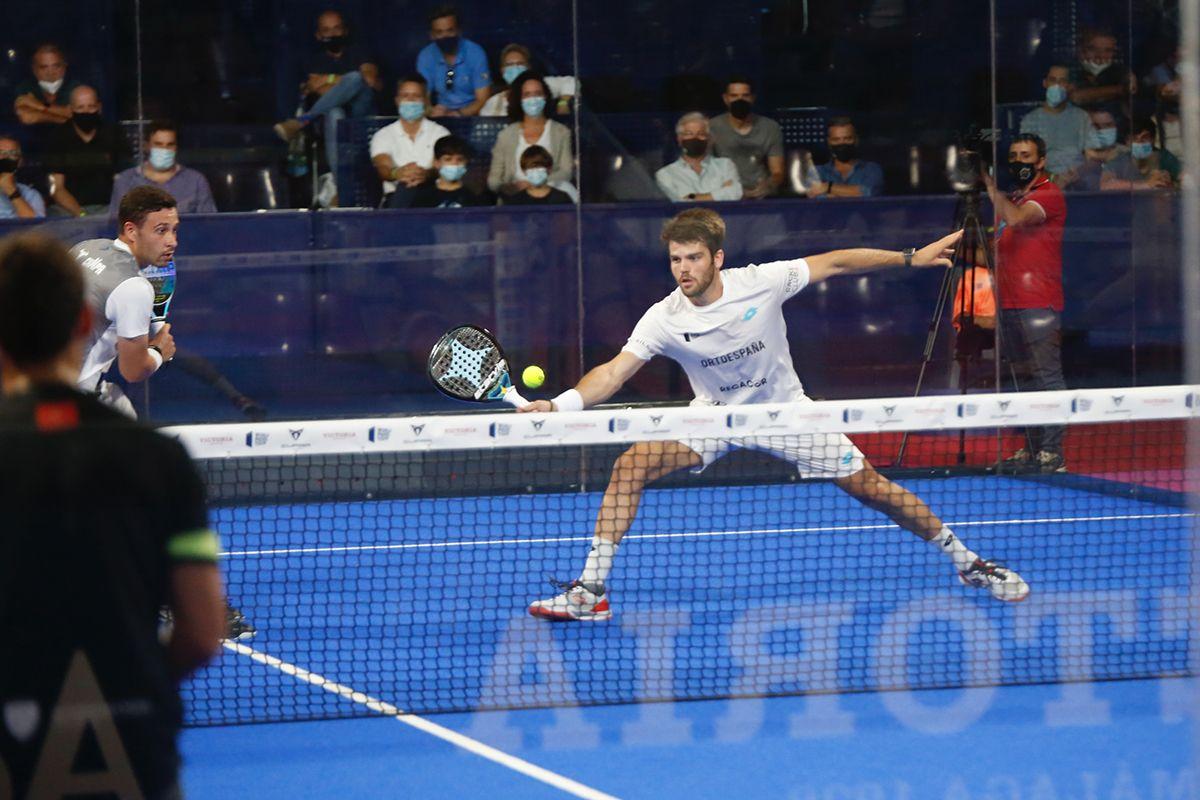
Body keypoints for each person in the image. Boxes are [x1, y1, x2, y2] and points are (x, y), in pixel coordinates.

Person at [521, 208, 1029, 620]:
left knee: (875, 491)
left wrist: (909, 258)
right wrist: (560, 403)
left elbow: (836, 263)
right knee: (631, 465)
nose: (684, 269)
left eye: (694, 258)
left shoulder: (761, 281)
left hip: (786, 413)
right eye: (676, 259)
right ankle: (590, 592)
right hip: (715, 416)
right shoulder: (664, 316)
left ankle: (969, 563)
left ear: (717, 258)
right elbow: (613, 372)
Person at [0, 232, 225, 799]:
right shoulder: (162, 460)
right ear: (82, 322)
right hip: (130, 740)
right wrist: (130, 682)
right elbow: (201, 633)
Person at [984, 133, 1068, 473]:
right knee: (1024, 379)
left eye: (1026, 156)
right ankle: (1032, 448)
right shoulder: (1016, 198)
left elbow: (1018, 219)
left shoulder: (1049, 195)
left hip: (1039, 302)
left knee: (1047, 376)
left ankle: (1053, 453)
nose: (1020, 162)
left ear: (1041, 161)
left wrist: (988, 183)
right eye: (1014, 156)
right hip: (1008, 302)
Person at [71, 186, 180, 417]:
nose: (172, 241)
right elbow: (133, 370)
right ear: (131, 230)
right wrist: (159, 351)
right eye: (161, 231)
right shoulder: (134, 287)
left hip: (35, 387)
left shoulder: (85, 248)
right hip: (76, 405)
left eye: (174, 230)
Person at [273, 10, 383, 181]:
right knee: (335, 111)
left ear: (345, 31)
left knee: (355, 79)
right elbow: (321, 92)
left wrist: (329, 79)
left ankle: (300, 122)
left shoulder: (360, 51)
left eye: (337, 28)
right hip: (329, 119)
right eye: (326, 30)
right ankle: (341, 187)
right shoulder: (314, 60)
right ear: (318, 35)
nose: (332, 34)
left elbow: (367, 80)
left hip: (362, 112)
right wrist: (346, 83)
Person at [44, 85, 131, 217]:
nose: (86, 112)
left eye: (91, 107)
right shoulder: (57, 138)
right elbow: (56, 189)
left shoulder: (114, 134)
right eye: (80, 107)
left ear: (99, 107)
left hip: (108, 208)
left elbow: (123, 181)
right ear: (70, 109)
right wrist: (82, 215)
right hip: (68, 210)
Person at [487, 73, 574, 199]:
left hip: (551, 194)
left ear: (545, 97)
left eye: (537, 93)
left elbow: (566, 172)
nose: (533, 99)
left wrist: (533, 184)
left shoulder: (561, 132)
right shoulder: (505, 135)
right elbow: (493, 180)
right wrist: (510, 187)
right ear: (519, 100)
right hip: (516, 197)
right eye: (527, 95)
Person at [370, 74, 450, 208]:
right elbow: (383, 168)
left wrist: (425, 174)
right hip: (396, 196)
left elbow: (443, 166)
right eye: (405, 96)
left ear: (425, 101)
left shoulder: (440, 133)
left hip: (432, 196)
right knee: (405, 187)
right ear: (397, 100)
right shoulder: (383, 135)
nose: (410, 100)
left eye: (416, 96)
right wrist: (398, 173)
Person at [109, 120, 217, 216]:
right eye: (158, 144)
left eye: (170, 144)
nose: (164, 149)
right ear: (146, 146)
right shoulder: (125, 181)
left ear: (176, 147)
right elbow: (116, 225)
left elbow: (208, 224)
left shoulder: (196, 181)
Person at [707, 76, 784, 198]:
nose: (740, 100)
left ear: (752, 98)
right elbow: (706, 168)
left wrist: (767, 186)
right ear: (725, 99)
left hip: (762, 196)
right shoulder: (711, 127)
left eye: (745, 96)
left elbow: (777, 172)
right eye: (734, 96)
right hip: (725, 195)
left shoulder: (770, 127)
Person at [1019, 65, 1091, 186]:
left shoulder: (1082, 117)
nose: (1057, 85)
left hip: (1079, 180)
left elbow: (1093, 157)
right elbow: (1026, 161)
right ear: (1045, 83)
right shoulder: (1030, 120)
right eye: (1053, 80)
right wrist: (1052, 178)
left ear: (1070, 86)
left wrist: (1075, 175)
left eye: (1062, 81)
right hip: (1043, 181)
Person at [416, 5, 491, 117]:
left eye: (450, 30)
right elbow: (422, 96)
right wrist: (431, 111)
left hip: (474, 115)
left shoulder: (475, 53)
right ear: (432, 35)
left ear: (459, 31)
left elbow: (482, 99)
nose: (445, 36)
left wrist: (457, 114)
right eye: (439, 32)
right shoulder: (426, 56)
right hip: (441, 114)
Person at [654, 112, 743, 202]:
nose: (695, 138)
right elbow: (681, 201)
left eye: (701, 134)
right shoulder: (666, 174)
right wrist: (720, 193)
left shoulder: (725, 165)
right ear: (679, 139)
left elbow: (735, 193)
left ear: (709, 139)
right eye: (689, 134)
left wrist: (693, 197)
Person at [479, 43, 576, 117]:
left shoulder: (541, 86)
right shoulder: (494, 102)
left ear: (528, 67)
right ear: (502, 70)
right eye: (509, 65)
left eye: (520, 63)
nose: (515, 68)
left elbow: (571, 82)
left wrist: (563, 103)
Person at [805, 116, 884, 198]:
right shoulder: (817, 172)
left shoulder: (872, 169)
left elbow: (868, 192)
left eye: (847, 139)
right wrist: (853, 193)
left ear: (856, 140)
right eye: (836, 139)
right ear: (829, 142)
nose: (842, 143)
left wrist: (827, 187)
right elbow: (817, 198)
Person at [1100, 117, 1179, 191]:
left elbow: (1186, 178)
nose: (1139, 142)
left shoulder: (1164, 157)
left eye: (1144, 137)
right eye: (1134, 139)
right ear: (1127, 142)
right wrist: (1146, 185)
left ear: (1153, 139)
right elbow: (1105, 185)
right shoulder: (1120, 161)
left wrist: (1171, 184)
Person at [11, 43, 78, 129]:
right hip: (34, 139)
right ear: (34, 69)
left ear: (65, 66)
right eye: (44, 67)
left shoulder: (77, 88)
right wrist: (64, 118)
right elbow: (26, 117)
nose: (51, 73)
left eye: (56, 66)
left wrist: (39, 105)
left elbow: (78, 115)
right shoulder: (25, 88)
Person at [412, 135, 491, 208]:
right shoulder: (423, 197)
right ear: (436, 163)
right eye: (448, 159)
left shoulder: (475, 196)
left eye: (460, 159)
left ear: (466, 162)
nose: (454, 164)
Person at [1070, 29, 1134, 112]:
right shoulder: (1068, 70)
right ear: (1079, 50)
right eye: (1092, 49)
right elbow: (1075, 96)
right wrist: (1119, 89)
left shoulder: (1119, 72)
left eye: (1108, 50)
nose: (1100, 56)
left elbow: (1132, 91)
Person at [1074, 107, 1127, 191]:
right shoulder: (1074, 154)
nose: (1102, 131)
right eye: (1096, 126)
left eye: (1107, 125)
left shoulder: (1126, 153)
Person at [500, 145, 573, 205]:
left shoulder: (562, 198)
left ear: (549, 169)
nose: (535, 172)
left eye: (539, 168)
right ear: (524, 171)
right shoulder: (516, 201)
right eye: (531, 169)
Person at [0, 137, 46, 219]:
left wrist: (10, 189)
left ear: (20, 162)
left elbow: (36, 226)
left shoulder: (31, 195)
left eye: (12, 153)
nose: (5, 157)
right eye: (0, 152)